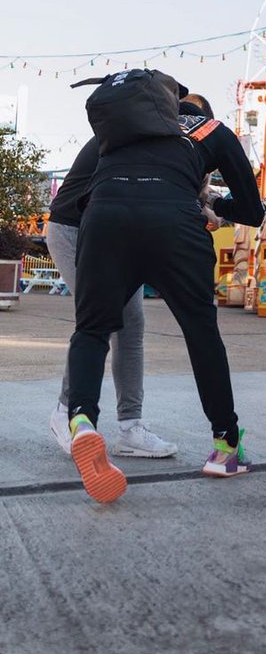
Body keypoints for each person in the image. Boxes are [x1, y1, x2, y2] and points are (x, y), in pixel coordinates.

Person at [65, 89, 265, 503]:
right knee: (201, 333)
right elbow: (252, 210)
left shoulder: (126, 129)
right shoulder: (213, 129)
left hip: (104, 217)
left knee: (92, 331)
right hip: (174, 221)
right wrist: (216, 204)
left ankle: (82, 421)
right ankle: (225, 446)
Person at [47, 139, 176, 458]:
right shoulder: (124, 133)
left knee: (131, 326)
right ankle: (66, 412)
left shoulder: (154, 140)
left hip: (117, 235)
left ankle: (130, 428)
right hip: (73, 231)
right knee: (98, 320)